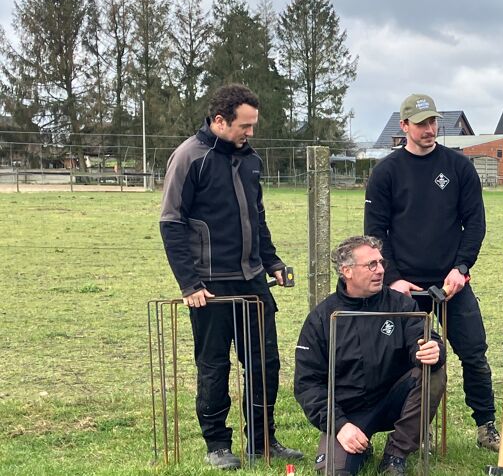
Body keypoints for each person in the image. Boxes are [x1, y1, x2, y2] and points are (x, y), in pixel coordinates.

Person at [159, 83, 303, 469]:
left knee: (264, 364)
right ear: (220, 121)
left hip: (251, 278)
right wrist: (189, 284)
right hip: (209, 284)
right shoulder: (190, 157)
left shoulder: (250, 159)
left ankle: (262, 441)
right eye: (245, 126)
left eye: (253, 125)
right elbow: (171, 223)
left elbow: (257, 217)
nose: (250, 133)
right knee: (214, 365)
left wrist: (271, 262)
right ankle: (217, 445)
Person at [364, 93, 503, 456]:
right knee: (407, 359)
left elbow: (474, 223)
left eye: (433, 122)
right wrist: (393, 278)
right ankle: (415, 429)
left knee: (474, 354)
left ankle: (486, 426)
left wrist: (461, 269)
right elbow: (375, 232)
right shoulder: (386, 172)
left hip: (451, 284)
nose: (429, 129)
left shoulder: (458, 167)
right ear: (404, 126)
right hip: (405, 287)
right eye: (421, 124)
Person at [294, 236, 446, 476]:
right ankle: (359, 445)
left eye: (381, 263)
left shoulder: (400, 304)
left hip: (394, 400)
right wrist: (340, 426)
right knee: (335, 472)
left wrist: (431, 349)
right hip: (349, 412)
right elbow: (307, 384)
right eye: (371, 265)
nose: (381, 270)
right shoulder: (322, 318)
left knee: (432, 372)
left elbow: (422, 337)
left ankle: (396, 453)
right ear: (347, 271)